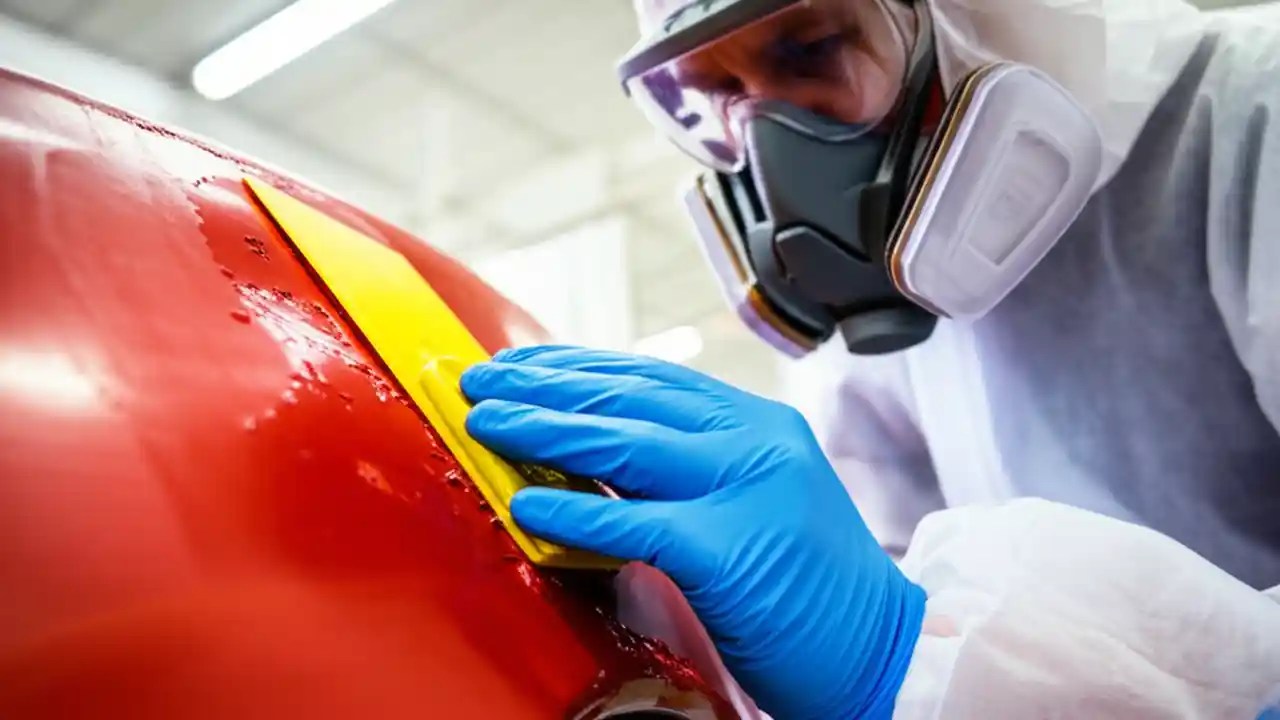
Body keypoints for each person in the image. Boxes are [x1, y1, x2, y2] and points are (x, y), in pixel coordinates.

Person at [460, 0, 1280, 717]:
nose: (771, 149)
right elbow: (888, 567)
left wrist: (903, 663)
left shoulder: (1254, 111)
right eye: (720, 96)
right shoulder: (867, 302)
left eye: (809, 47)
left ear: (973, 15)